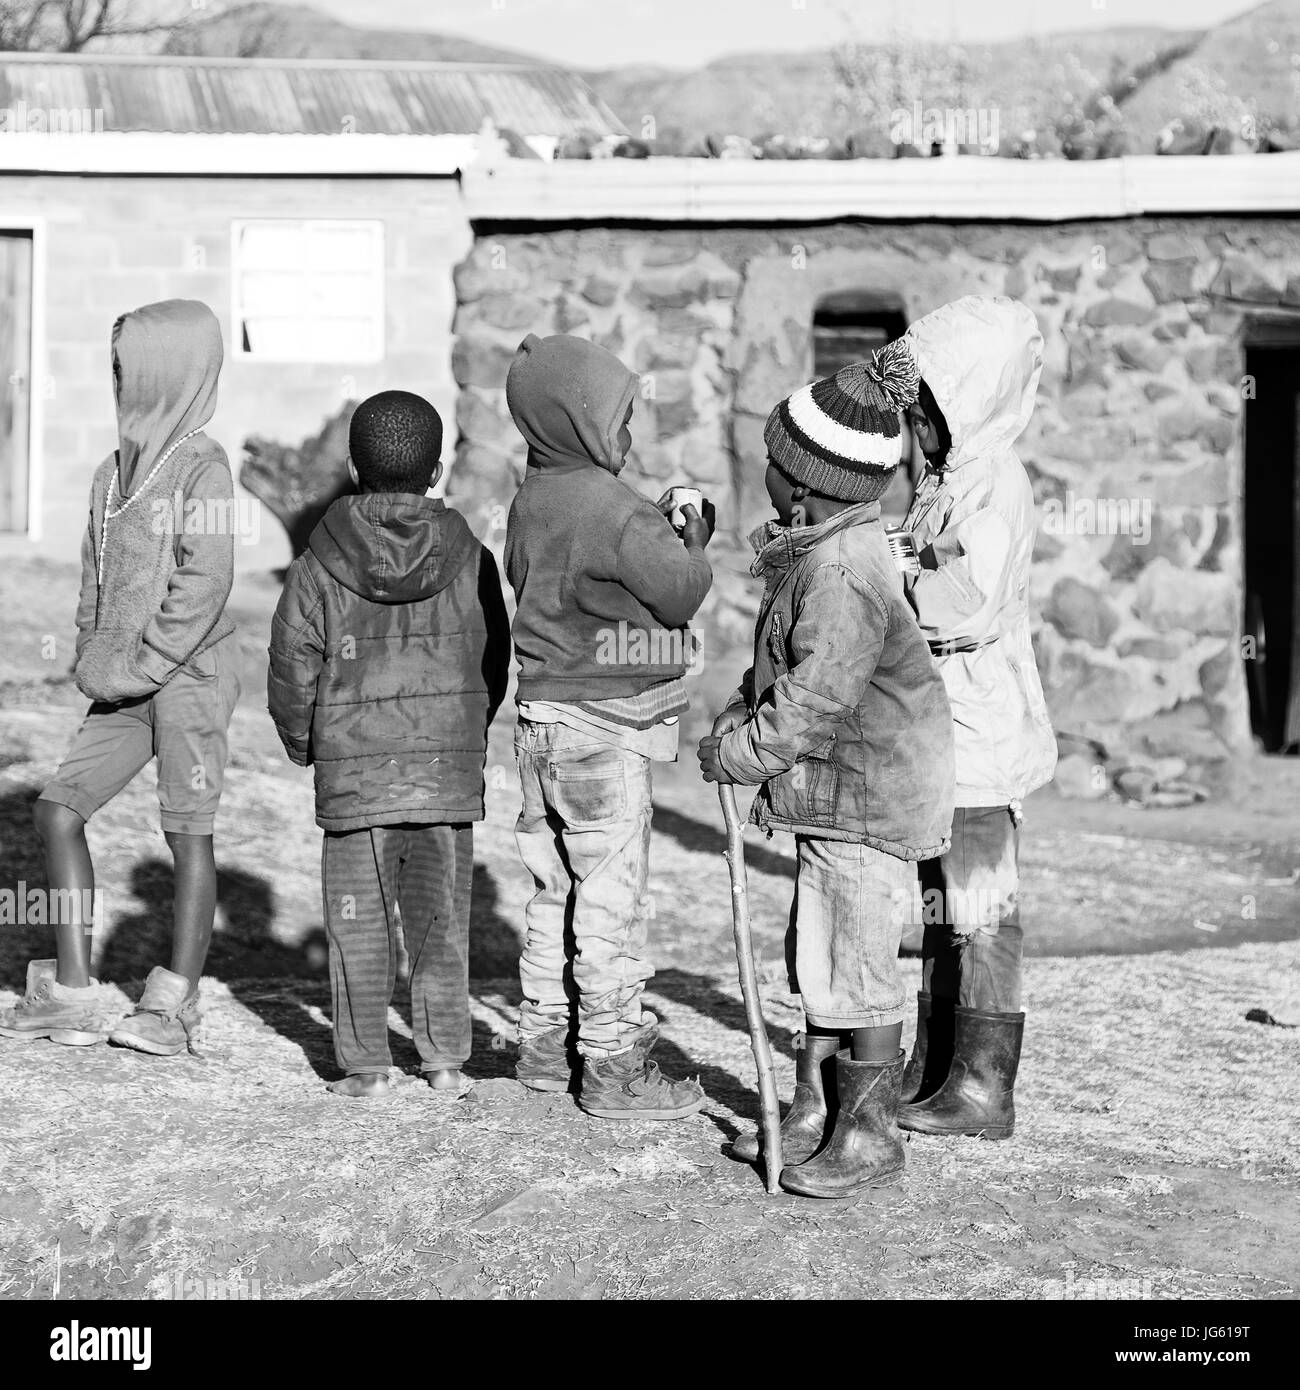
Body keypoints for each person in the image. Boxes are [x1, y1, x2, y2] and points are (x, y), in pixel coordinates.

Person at [699, 344, 955, 1198]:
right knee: (820, 950)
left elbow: (816, 698)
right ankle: (815, 1108)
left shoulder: (844, 571)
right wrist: (744, 702)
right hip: (834, 792)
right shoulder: (818, 548)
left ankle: (870, 1132)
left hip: (870, 792)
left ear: (803, 483)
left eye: (774, 462)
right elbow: (786, 665)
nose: (763, 472)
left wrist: (739, 752)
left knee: (859, 963)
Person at [0, 300, 239, 1056]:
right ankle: (71, 993)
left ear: (171, 373)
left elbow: (206, 580)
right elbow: (92, 577)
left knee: (185, 832)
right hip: (122, 684)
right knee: (58, 810)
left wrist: (148, 662)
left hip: (189, 679)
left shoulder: (205, 467)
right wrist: (91, 653)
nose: (116, 382)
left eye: (127, 368)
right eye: (112, 368)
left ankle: (174, 1003)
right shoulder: (111, 473)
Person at [267, 390, 509, 1098]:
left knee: (357, 923)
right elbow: (492, 664)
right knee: (440, 917)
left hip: (354, 777)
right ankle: (444, 1062)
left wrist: (305, 744)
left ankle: (367, 1065)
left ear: (350, 465)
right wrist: (467, 736)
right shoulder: (473, 556)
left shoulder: (318, 559)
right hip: (443, 773)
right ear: (438, 470)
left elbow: (290, 664)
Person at [503, 332, 713, 1121]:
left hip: (540, 723)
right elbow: (678, 593)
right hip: (604, 733)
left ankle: (543, 1043)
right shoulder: (617, 510)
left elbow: (558, 578)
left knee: (551, 886)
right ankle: (613, 1062)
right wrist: (689, 540)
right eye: (620, 418)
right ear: (579, 419)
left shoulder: (532, 500)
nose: (629, 435)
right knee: (610, 900)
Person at [894, 295, 1057, 1140]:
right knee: (938, 912)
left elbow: (964, 604)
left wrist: (890, 586)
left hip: (981, 740)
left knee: (982, 915)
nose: (914, 424)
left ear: (970, 400)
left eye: (927, 408)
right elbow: (934, 561)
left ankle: (987, 1086)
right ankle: (937, 1065)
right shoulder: (951, 481)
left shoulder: (995, 484)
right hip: (945, 737)